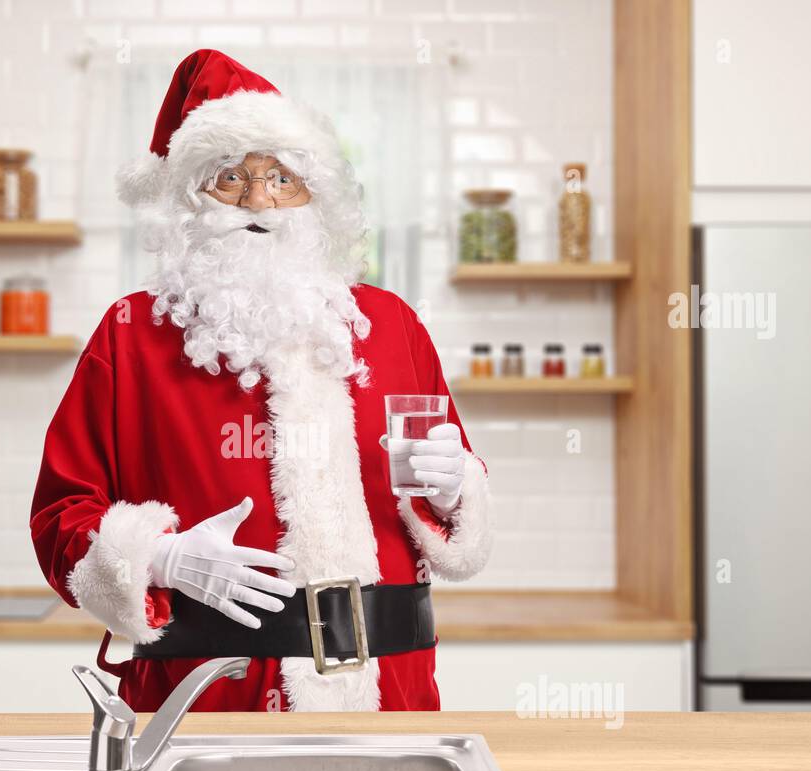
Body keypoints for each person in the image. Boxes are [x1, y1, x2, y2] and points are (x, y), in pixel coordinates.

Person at [31, 50, 493, 712]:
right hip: (201, 699)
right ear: (186, 201)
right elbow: (58, 516)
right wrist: (157, 559)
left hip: (390, 697)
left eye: (283, 178)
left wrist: (454, 491)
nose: (258, 201)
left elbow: (442, 505)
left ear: (318, 199)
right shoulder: (129, 333)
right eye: (228, 178)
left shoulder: (391, 326)